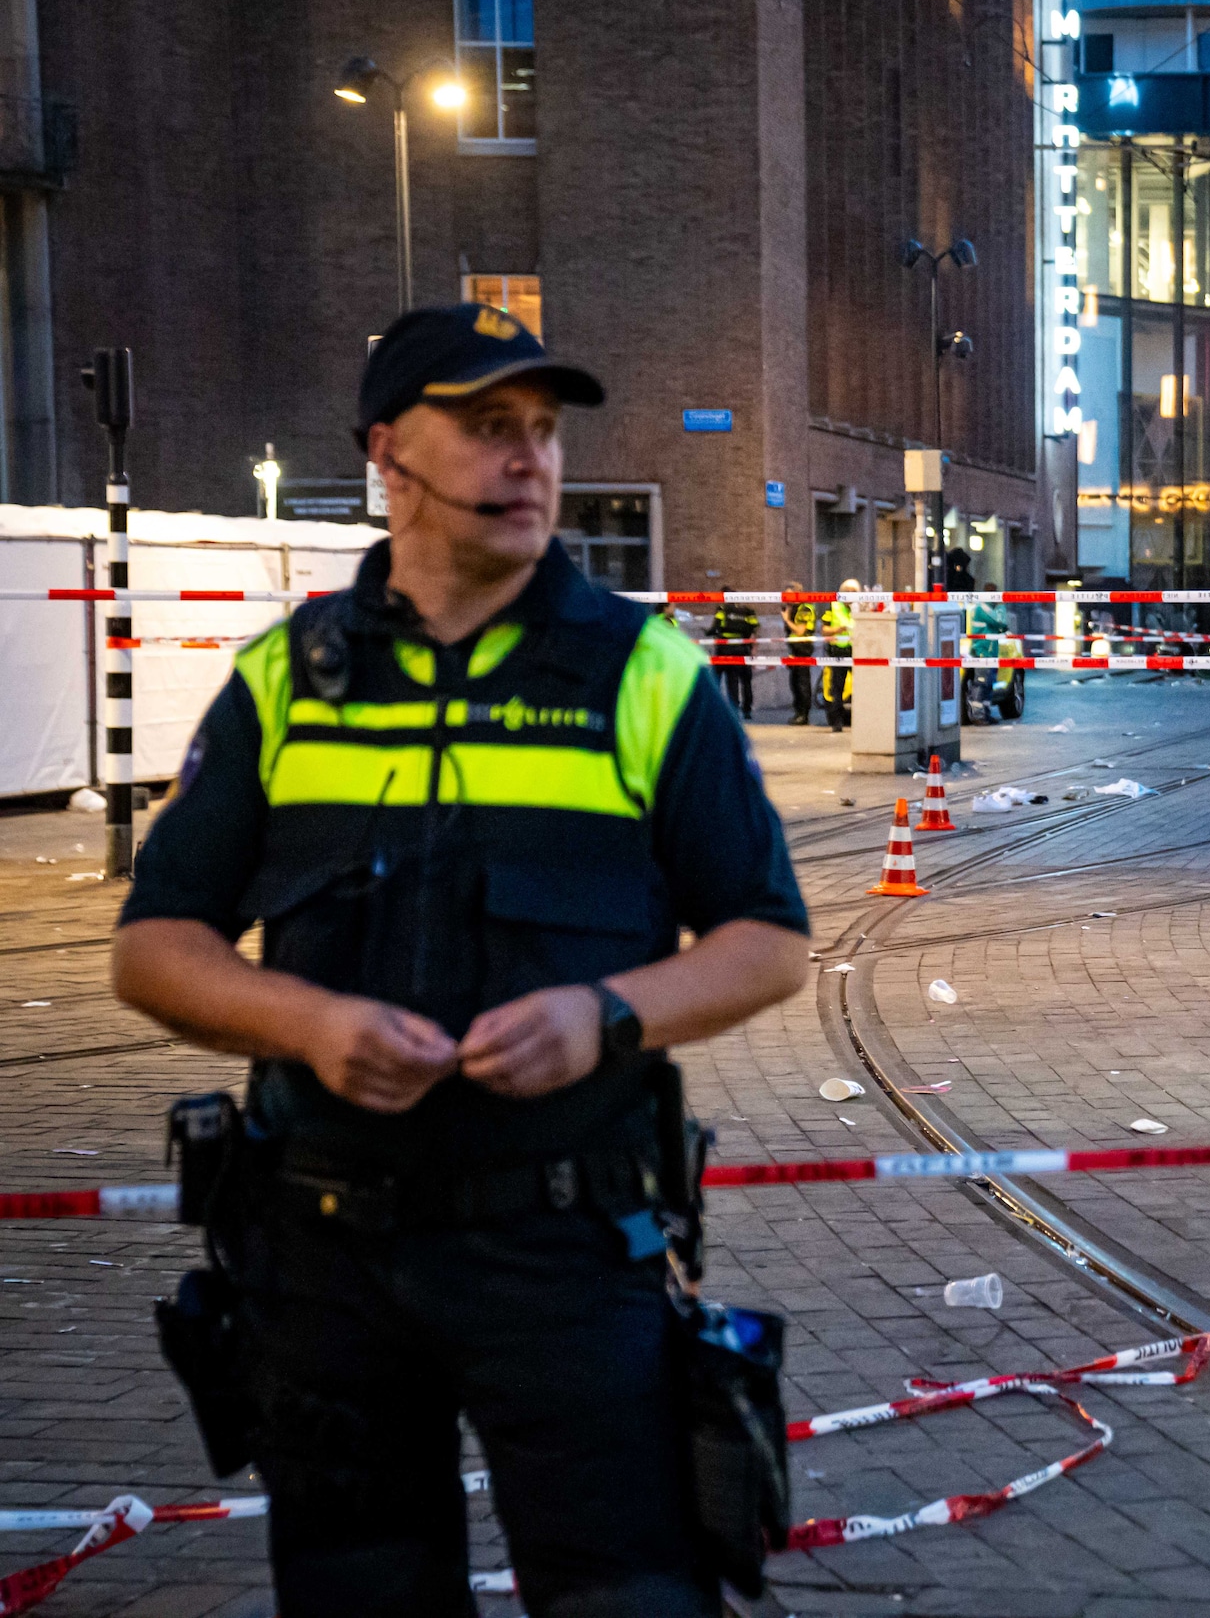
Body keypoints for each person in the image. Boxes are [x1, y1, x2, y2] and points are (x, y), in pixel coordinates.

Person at [111, 302, 813, 1616]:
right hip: (323, 1260)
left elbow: (769, 943)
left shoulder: (642, 672)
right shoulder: (287, 680)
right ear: (391, 452)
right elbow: (154, 949)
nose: (530, 459)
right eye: (489, 427)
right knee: (358, 1592)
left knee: (628, 1594)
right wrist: (306, 1023)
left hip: (561, 1249)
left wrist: (604, 1014)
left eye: (542, 431)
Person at [710, 597, 759, 720]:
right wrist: (753, 648)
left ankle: (732, 709)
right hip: (743, 649)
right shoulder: (748, 611)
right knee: (745, 681)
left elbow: (715, 627)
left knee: (729, 680)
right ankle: (747, 710)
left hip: (725, 649)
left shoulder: (723, 610)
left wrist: (708, 633)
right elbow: (754, 629)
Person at [820, 579, 857, 730]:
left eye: (853, 592)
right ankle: (836, 722)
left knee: (863, 687)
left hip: (857, 651)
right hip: (839, 652)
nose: (850, 594)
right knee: (837, 689)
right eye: (847, 591)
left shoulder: (862, 606)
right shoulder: (833, 606)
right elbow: (824, 630)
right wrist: (838, 630)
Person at [782, 583, 817, 726]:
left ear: (798, 593)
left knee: (802, 683)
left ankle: (804, 714)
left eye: (789, 595)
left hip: (803, 649)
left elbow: (800, 631)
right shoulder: (791, 609)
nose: (786, 599)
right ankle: (798, 712)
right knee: (794, 683)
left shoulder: (805, 608)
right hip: (794, 650)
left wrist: (787, 619)